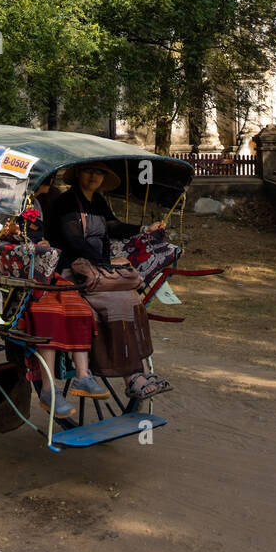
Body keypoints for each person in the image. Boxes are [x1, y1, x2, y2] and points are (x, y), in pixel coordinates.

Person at [46, 163, 171, 400]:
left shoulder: (98, 201)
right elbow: (73, 241)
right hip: (72, 269)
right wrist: (106, 265)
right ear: (78, 174)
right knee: (114, 304)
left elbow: (113, 226)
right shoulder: (65, 203)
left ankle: (143, 371)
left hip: (99, 270)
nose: (94, 176)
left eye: (100, 172)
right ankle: (131, 377)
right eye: (89, 171)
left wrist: (144, 229)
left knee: (133, 301)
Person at [20, 182, 108, 419]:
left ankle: (82, 375)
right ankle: (48, 388)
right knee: (48, 310)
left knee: (76, 304)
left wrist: (41, 244)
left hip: (42, 269)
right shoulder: (2, 202)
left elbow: (40, 236)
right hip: (16, 274)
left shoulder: (35, 203)